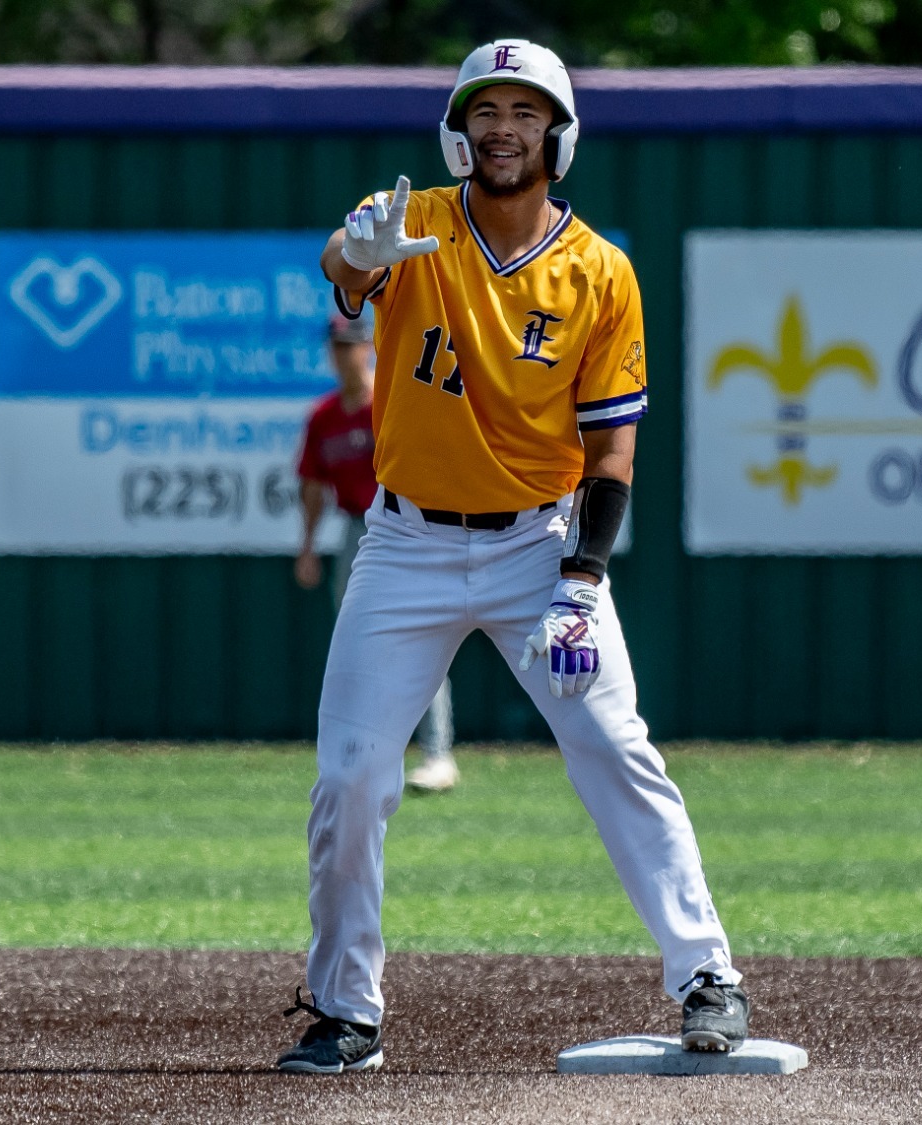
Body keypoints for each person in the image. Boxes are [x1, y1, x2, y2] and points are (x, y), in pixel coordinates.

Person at [275, 38, 748, 1076]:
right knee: (351, 777)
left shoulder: (599, 270)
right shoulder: (417, 221)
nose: (502, 128)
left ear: (557, 133)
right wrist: (358, 256)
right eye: (485, 109)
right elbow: (342, 274)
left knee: (614, 747)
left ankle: (706, 976)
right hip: (403, 543)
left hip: (538, 547)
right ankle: (345, 1011)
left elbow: (610, 442)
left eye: (524, 112)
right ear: (458, 127)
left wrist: (584, 575)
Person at [294, 311, 459, 794]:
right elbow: (312, 485)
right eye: (338, 347)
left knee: (422, 642)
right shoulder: (324, 417)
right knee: (356, 645)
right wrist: (306, 547)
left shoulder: (391, 401)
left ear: (369, 347)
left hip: (406, 526)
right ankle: (362, 753)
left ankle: (437, 754)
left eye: (353, 345)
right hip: (353, 531)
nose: (346, 355)